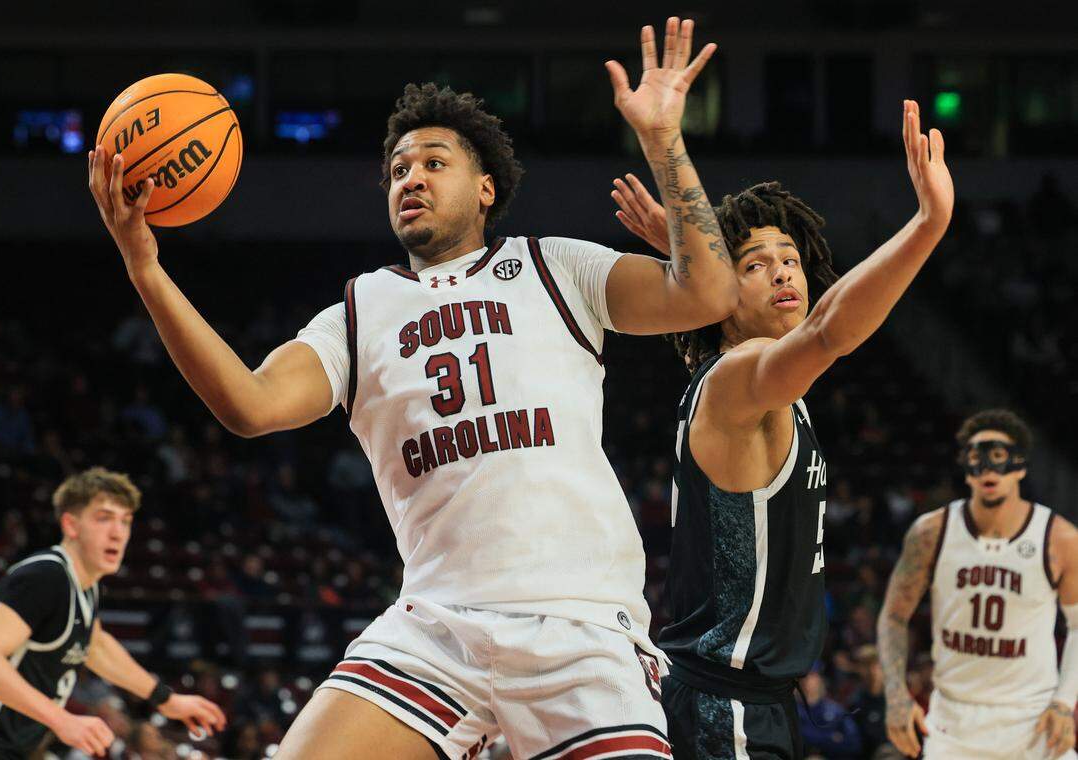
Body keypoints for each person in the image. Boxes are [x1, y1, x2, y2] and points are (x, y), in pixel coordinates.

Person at [88, 17, 739, 760]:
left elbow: (708, 294)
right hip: (437, 629)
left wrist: (662, 142)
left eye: (433, 162)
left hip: (580, 628)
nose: (411, 179)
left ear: (486, 188)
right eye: (398, 170)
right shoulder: (358, 312)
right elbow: (249, 405)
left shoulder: (557, 267)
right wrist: (147, 269)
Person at [610, 99, 953, 758]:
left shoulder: (765, 382)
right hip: (726, 707)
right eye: (755, 265)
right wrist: (929, 223)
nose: (783, 273)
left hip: (753, 703)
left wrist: (688, 257)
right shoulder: (739, 380)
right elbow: (829, 329)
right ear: (724, 294)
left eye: (789, 258)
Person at [0, 468, 226, 760]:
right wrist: (62, 720)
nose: (117, 532)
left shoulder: (85, 586)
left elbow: (96, 646)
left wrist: (166, 699)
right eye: (104, 518)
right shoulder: (46, 576)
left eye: (125, 521)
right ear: (70, 525)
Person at [876, 409, 1078, 759]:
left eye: (998, 456)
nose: (987, 468)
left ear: (1020, 467)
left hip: (1032, 721)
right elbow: (893, 616)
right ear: (965, 467)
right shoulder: (931, 533)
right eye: (976, 457)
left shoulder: (1058, 538)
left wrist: (1064, 701)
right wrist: (896, 696)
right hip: (954, 724)